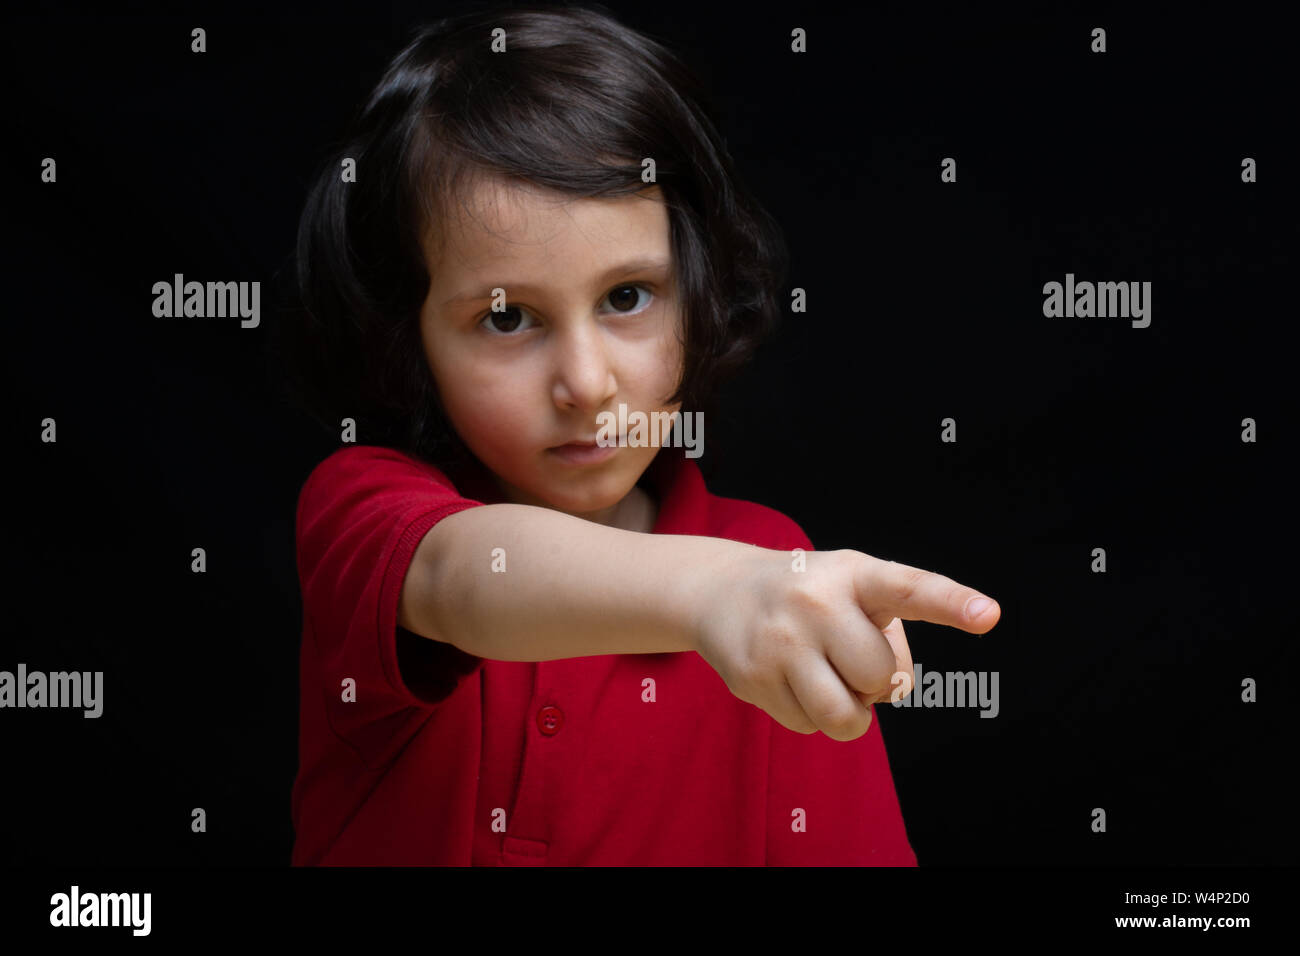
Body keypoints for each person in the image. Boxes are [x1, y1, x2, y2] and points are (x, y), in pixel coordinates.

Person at [277, 4, 1000, 866]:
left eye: (627, 298)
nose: (585, 383)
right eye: (506, 317)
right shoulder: (360, 509)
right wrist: (712, 594)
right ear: (410, 333)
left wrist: (754, 585)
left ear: (696, 292)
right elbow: (458, 574)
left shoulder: (779, 574)